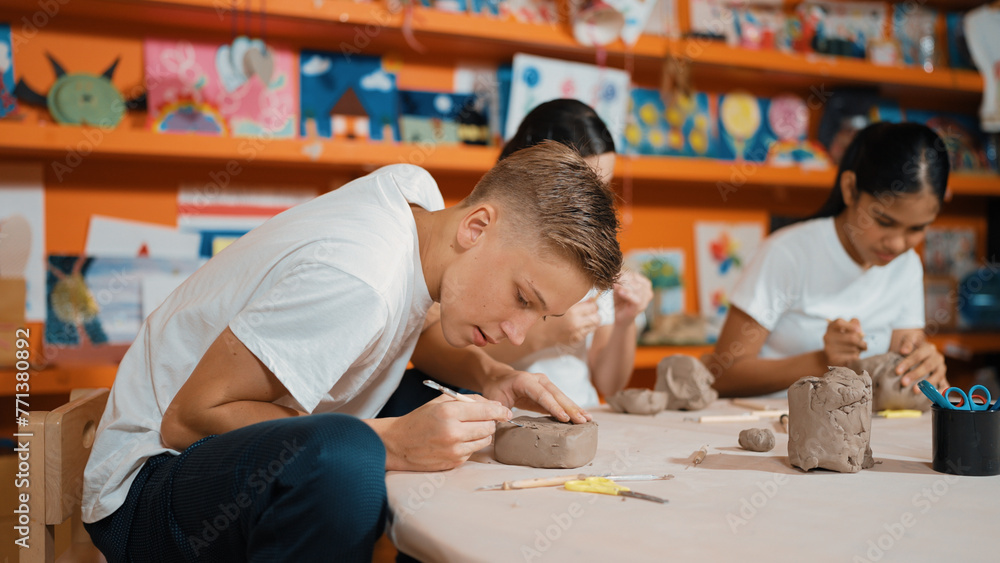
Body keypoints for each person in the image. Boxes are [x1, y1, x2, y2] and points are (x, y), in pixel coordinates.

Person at [81, 141, 623, 562]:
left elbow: (408, 329)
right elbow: (188, 418)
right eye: (522, 298)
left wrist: (489, 374)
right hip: (146, 487)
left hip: (213, 442)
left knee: (453, 412)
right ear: (477, 227)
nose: (520, 332)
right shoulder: (358, 279)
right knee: (344, 462)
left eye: (539, 313)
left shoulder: (421, 206)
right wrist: (395, 443)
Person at [705, 122, 950, 397]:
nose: (897, 243)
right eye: (883, 221)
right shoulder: (788, 254)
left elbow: (903, 365)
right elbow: (721, 374)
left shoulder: (907, 265)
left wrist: (922, 368)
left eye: (916, 229)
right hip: (773, 429)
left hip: (858, 432)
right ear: (849, 189)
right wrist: (822, 362)